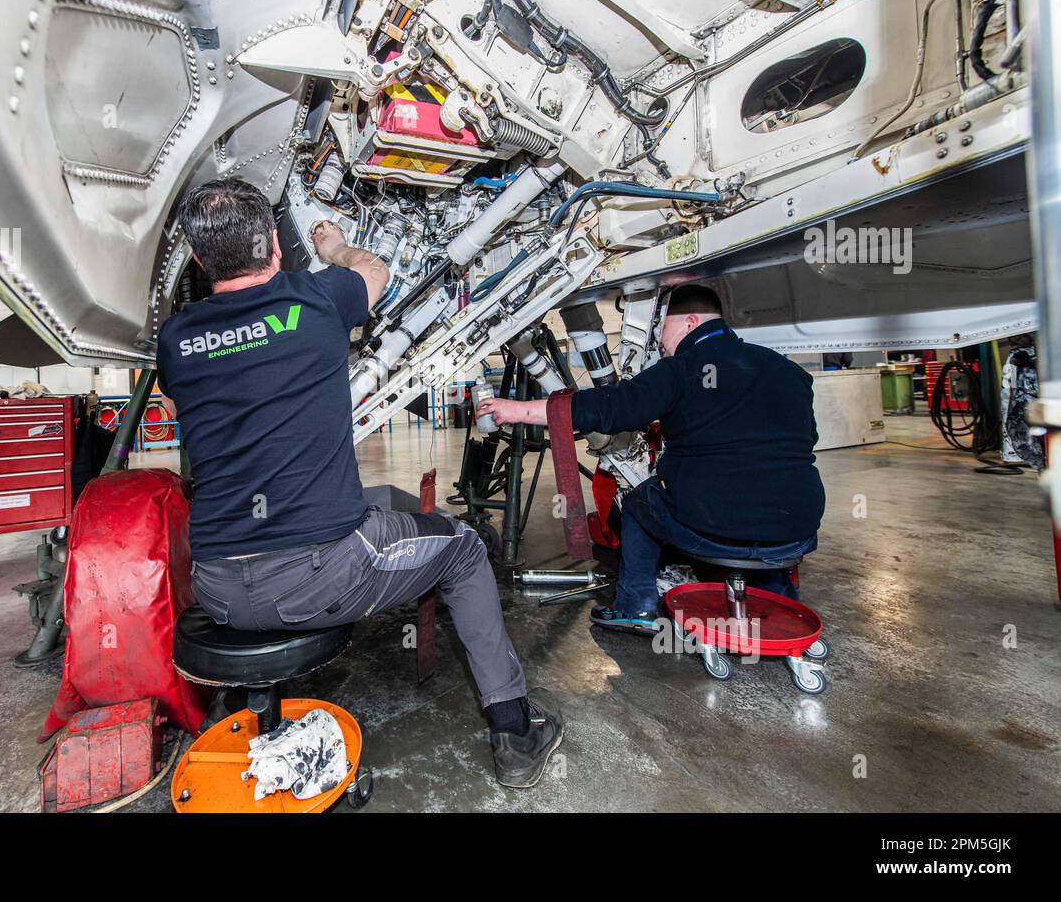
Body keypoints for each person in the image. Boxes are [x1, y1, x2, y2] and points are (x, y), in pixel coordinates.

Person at [156, 177, 562, 788]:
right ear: (274, 243)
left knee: (370, 513)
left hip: (215, 583)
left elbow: (175, 400)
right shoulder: (317, 298)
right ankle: (515, 732)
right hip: (317, 573)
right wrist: (337, 248)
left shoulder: (177, 339)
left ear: (196, 258)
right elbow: (376, 272)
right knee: (466, 549)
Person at [478, 284, 825, 633]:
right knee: (768, 500)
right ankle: (780, 601)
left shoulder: (681, 369)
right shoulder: (789, 372)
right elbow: (803, 441)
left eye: (664, 328)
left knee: (640, 501)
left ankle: (636, 607)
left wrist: (517, 410)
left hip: (714, 526)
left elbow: (607, 408)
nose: (659, 339)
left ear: (690, 323)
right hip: (796, 531)